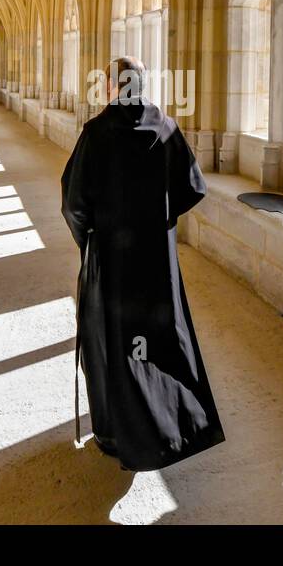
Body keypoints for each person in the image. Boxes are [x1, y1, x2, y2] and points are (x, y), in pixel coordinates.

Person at [60, 56, 225, 471]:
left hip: (112, 263)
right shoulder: (166, 128)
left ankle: (115, 433)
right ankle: (168, 430)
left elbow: (74, 203)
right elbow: (193, 187)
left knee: (111, 343)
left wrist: (90, 243)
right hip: (156, 261)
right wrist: (160, 220)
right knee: (159, 339)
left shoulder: (96, 134)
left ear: (115, 86)